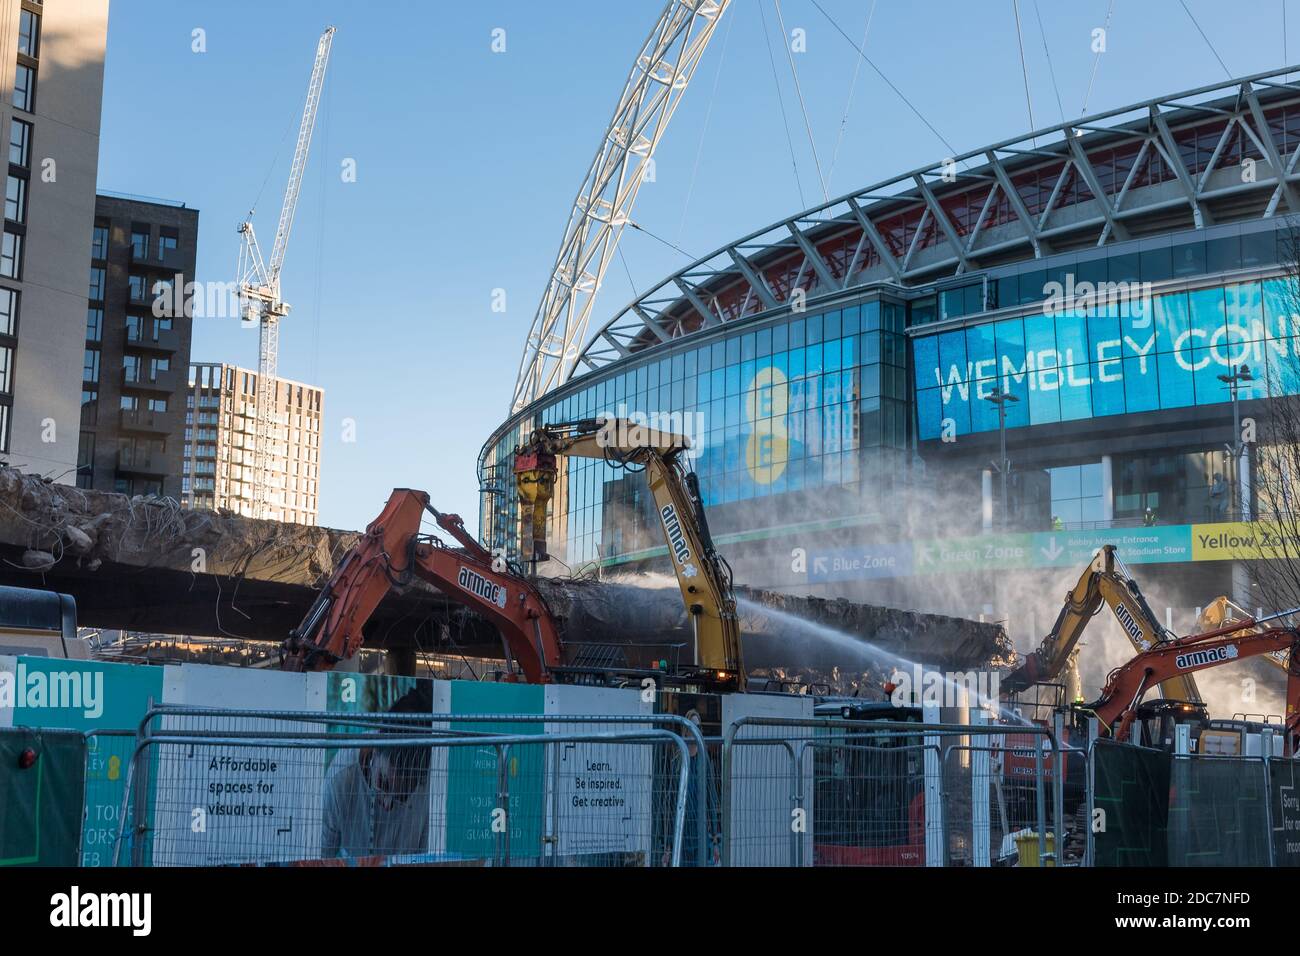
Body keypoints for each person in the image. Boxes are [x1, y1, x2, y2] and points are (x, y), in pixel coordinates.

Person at [321, 686, 432, 860]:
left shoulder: (432, 780)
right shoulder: (342, 776)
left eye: (402, 796)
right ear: (376, 748)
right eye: (383, 783)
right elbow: (320, 854)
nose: (387, 805)